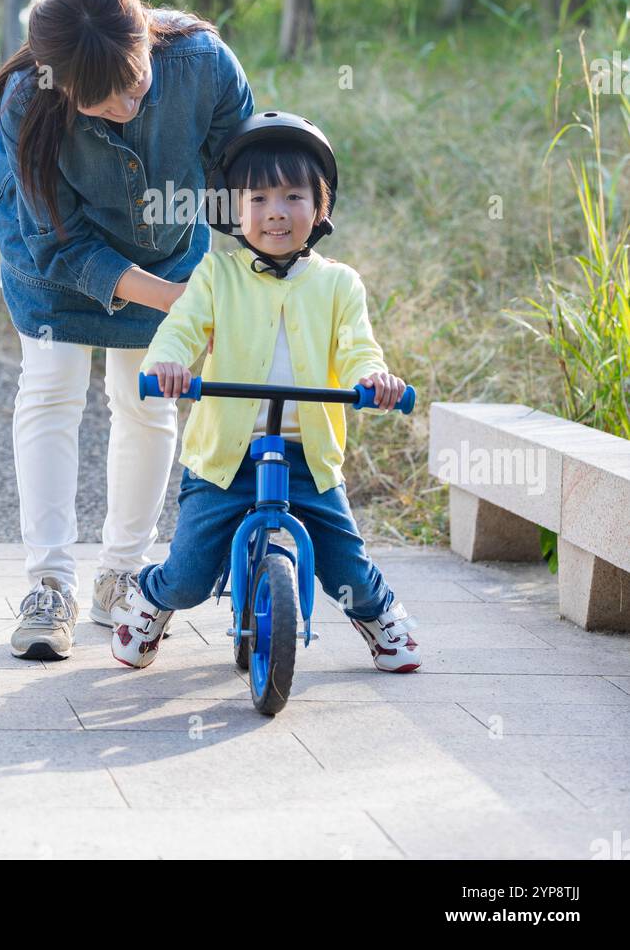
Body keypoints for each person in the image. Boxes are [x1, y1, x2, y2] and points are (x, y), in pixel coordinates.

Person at [0, 0, 253, 659]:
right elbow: (57, 243)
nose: (127, 106)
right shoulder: (29, 100)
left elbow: (244, 173)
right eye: (102, 105)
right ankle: (48, 585)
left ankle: (121, 575)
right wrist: (177, 302)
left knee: (146, 398)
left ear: (146, 42)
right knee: (52, 390)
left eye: (135, 84)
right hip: (55, 265)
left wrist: (255, 277)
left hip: (167, 254)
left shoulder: (202, 62)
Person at [110, 111, 422, 674]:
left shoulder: (338, 284)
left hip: (308, 459)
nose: (276, 211)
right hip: (224, 460)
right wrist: (169, 366)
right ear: (233, 210)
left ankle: (378, 615)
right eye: (257, 198)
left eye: (293, 195)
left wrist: (374, 379)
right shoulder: (215, 275)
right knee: (189, 574)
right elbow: (180, 330)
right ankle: (152, 598)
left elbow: (358, 348)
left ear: (320, 207)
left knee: (347, 567)